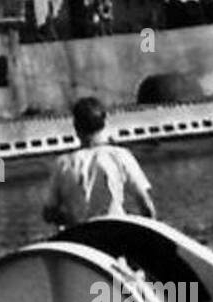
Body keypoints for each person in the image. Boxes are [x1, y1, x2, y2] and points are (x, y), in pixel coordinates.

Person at [43, 97, 156, 228]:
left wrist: (70, 219)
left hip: (80, 236)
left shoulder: (62, 164)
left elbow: (48, 213)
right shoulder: (120, 155)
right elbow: (146, 205)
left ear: (76, 127)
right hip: (115, 231)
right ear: (104, 123)